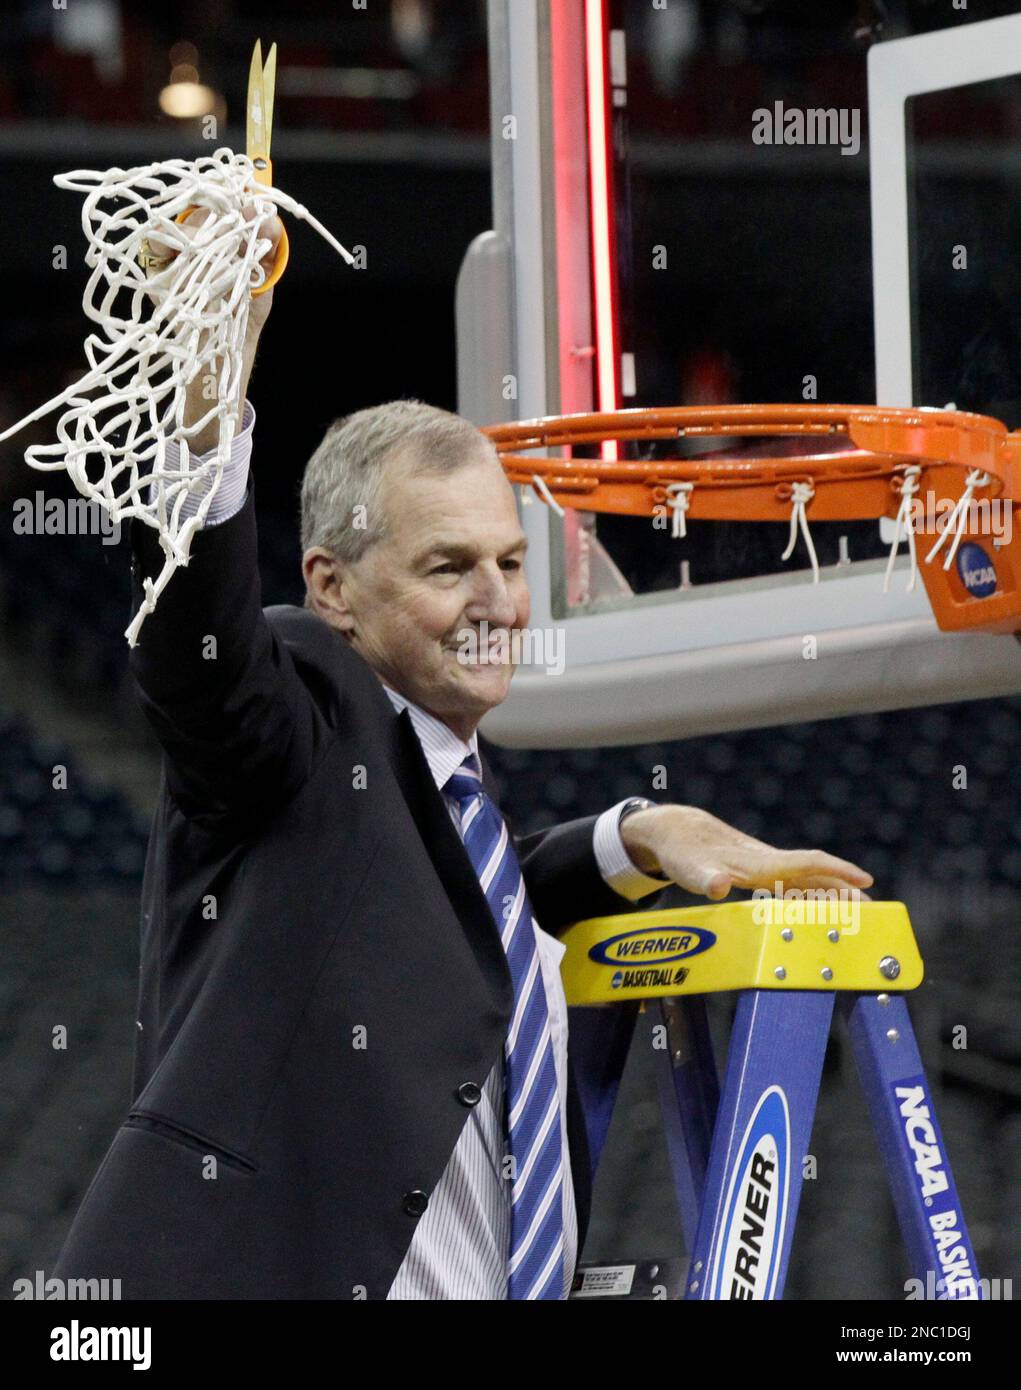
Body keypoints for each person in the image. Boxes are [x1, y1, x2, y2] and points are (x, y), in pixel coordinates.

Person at [53, 214, 872, 1299]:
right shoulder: (302, 701)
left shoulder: (439, 806)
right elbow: (203, 662)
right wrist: (203, 419)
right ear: (333, 587)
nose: (495, 601)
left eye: (509, 560)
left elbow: (445, 897)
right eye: (449, 566)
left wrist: (636, 834)